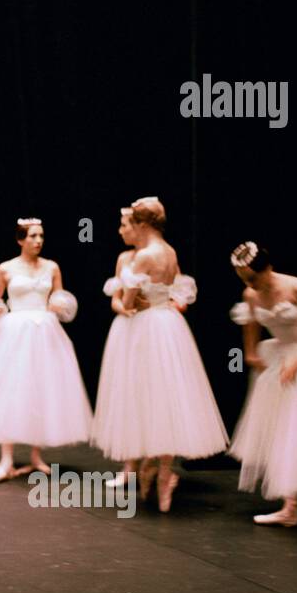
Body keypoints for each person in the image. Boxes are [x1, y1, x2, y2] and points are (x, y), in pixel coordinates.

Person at [92, 196, 226, 511]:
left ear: (142, 224)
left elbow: (126, 303)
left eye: (132, 224)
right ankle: (164, 473)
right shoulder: (170, 252)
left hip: (144, 327)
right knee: (166, 397)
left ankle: (150, 467)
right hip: (168, 324)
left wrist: (131, 302)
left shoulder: (142, 258)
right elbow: (179, 290)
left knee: (144, 394)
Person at [0, 218, 92, 481]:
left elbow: (60, 297)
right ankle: (6, 458)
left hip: (45, 330)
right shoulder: (6, 269)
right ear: (21, 239)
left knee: (42, 388)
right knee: (11, 387)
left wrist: (59, 305)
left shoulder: (52, 267)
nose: (38, 241)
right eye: (32, 236)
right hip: (15, 331)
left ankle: (36, 455)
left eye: (41, 236)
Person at [228, 241, 297, 527]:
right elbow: (250, 327)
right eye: (244, 280)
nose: (251, 285)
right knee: (284, 431)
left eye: (253, 278)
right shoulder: (251, 294)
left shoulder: (296, 287)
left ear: (268, 268)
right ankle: (290, 507)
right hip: (279, 360)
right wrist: (252, 355)